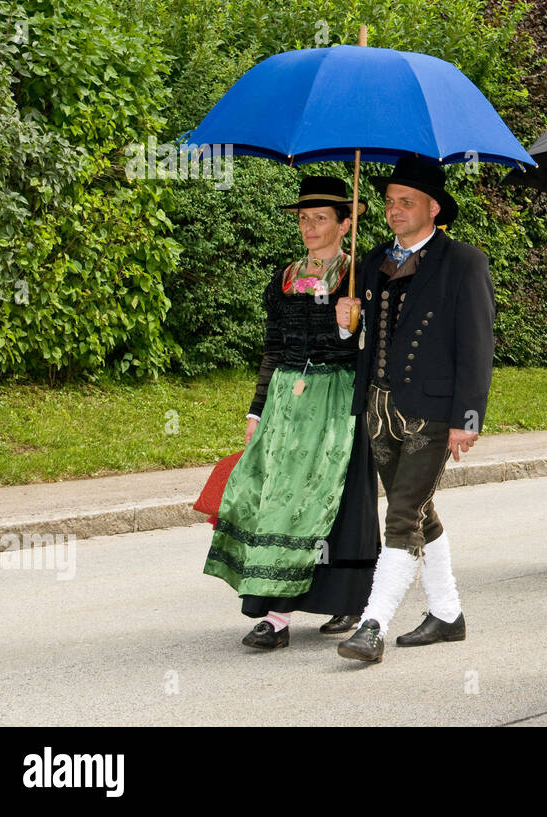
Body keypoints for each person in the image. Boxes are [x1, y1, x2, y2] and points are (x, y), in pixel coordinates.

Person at [204, 176, 379, 648]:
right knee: (272, 496)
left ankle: (346, 601)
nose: (309, 227)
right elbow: (273, 347)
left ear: (346, 223)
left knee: (330, 500)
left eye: (320, 218)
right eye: (303, 218)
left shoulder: (361, 279)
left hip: (336, 400)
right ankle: (275, 614)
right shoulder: (284, 279)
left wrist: (352, 328)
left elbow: (376, 350)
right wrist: (256, 411)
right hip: (286, 398)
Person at [333, 157, 495, 663]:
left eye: (405, 202)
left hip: (432, 412)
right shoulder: (372, 261)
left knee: (400, 513)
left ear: (433, 207)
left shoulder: (464, 261)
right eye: (388, 202)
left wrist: (467, 419)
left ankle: (372, 624)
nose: (393, 210)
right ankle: (447, 613)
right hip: (380, 406)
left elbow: (477, 345)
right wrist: (345, 323)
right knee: (420, 507)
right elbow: (361, 339)